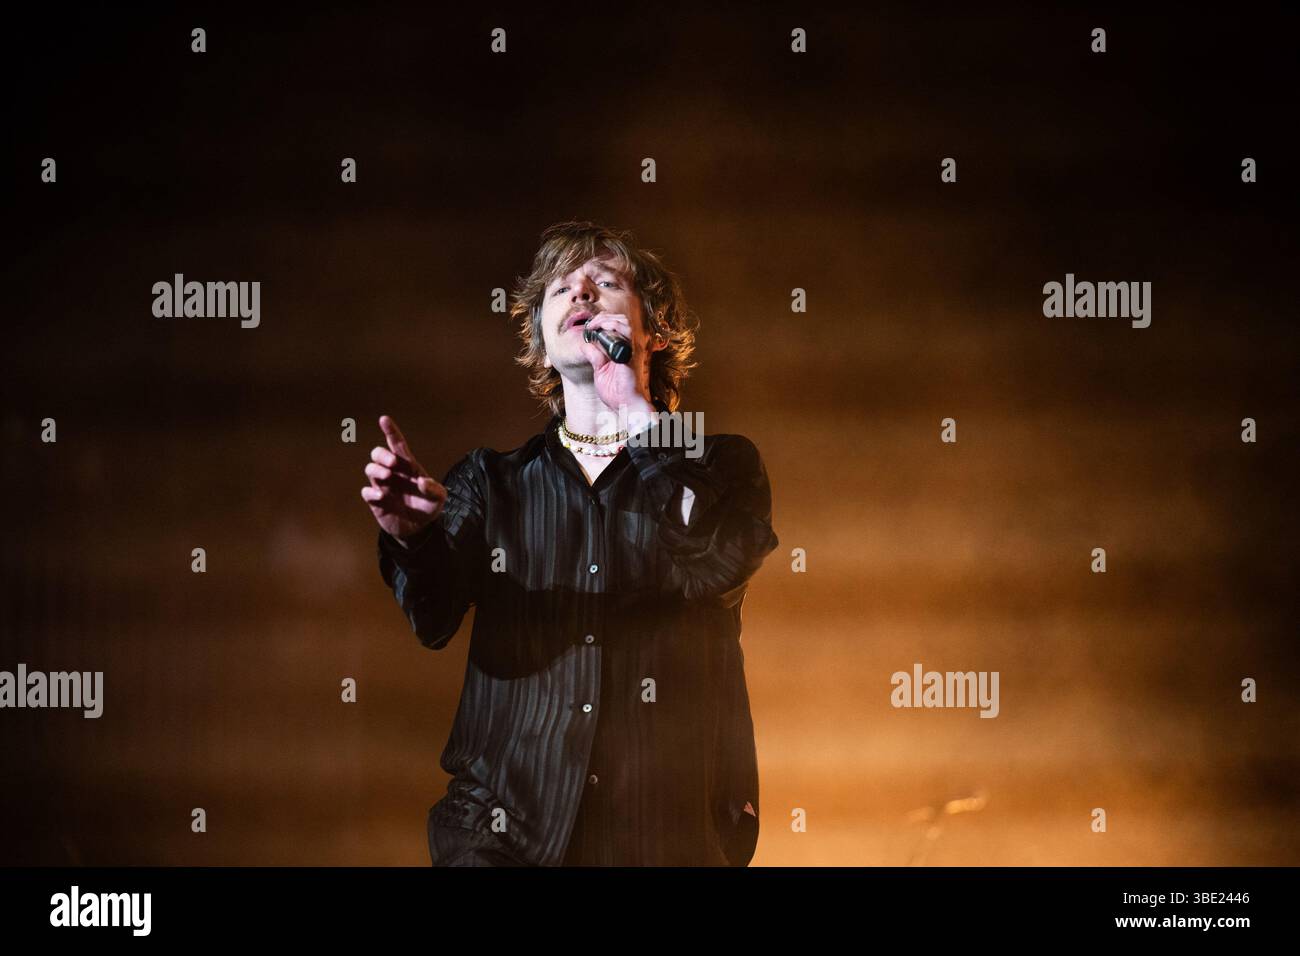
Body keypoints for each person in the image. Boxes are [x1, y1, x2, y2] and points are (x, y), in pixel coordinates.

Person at [360, 220, 779, 866]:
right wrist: (412, 537)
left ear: (654, 331)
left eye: (605, 283)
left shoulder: (723, 465)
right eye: (560, 290)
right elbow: (432, 617)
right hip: (501, 841)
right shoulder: (491, 483)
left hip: (663, 839)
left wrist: (635, 413)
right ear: (539, 339)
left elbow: (718, 564)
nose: (580, 293)